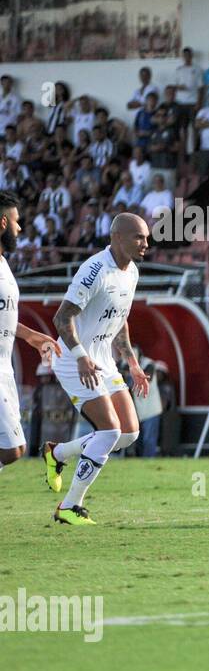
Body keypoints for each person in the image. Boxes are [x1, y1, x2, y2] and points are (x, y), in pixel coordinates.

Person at [41, 212, 151, 524]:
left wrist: (132, 363)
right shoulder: (94, 270)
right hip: (73, 360)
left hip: (102, 359)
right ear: (117, 238)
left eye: (146, 238)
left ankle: (58, 453)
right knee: (109, 431)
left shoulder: (131, 272)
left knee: (128, 434)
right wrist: (79, 356)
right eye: (138, 237)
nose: (146, 243)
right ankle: (69, 507)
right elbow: (62, 318)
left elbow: (120, 319)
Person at [0, 194, 62, 475]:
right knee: (12, 450)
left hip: (5, 368)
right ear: (3, 223)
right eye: (16, 221)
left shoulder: (4, 265)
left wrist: (29, 336)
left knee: (17, 449)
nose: (20, 228)